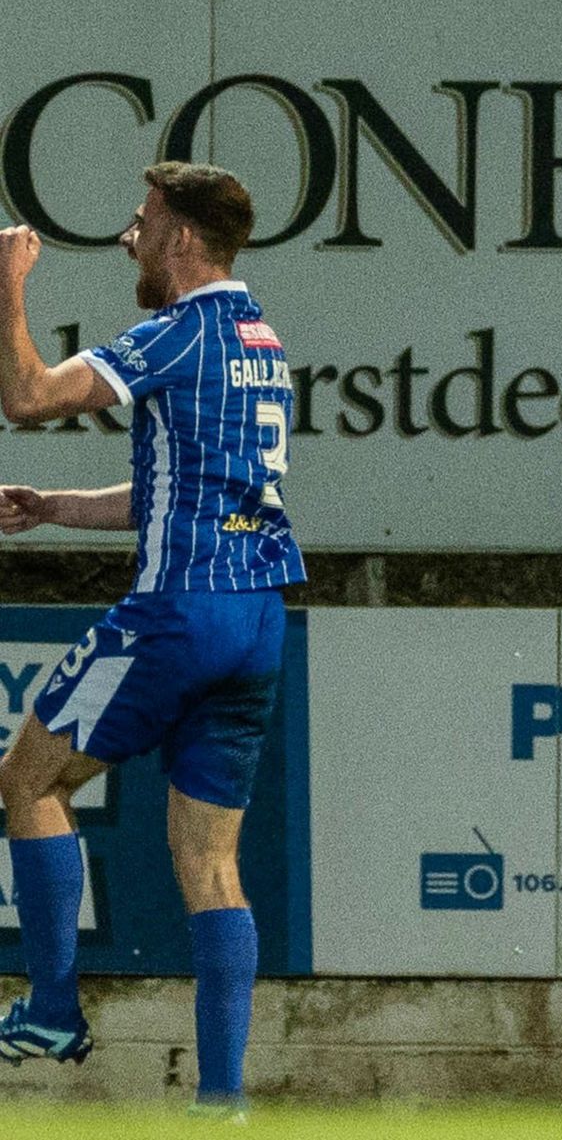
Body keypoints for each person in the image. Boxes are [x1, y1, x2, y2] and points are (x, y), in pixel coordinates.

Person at [0, 163, 303, 1121]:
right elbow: (167, 495)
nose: (129, 239)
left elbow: (30, 397)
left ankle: (51, 1007)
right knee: (212, 865)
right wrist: (51, 507)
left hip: (179, 608)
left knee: (26, 780)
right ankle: (222, 1100)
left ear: (180, 237)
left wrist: (7, 282)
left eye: (142, 223)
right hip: (258, 619)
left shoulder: (180, 329)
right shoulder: (262, 339)